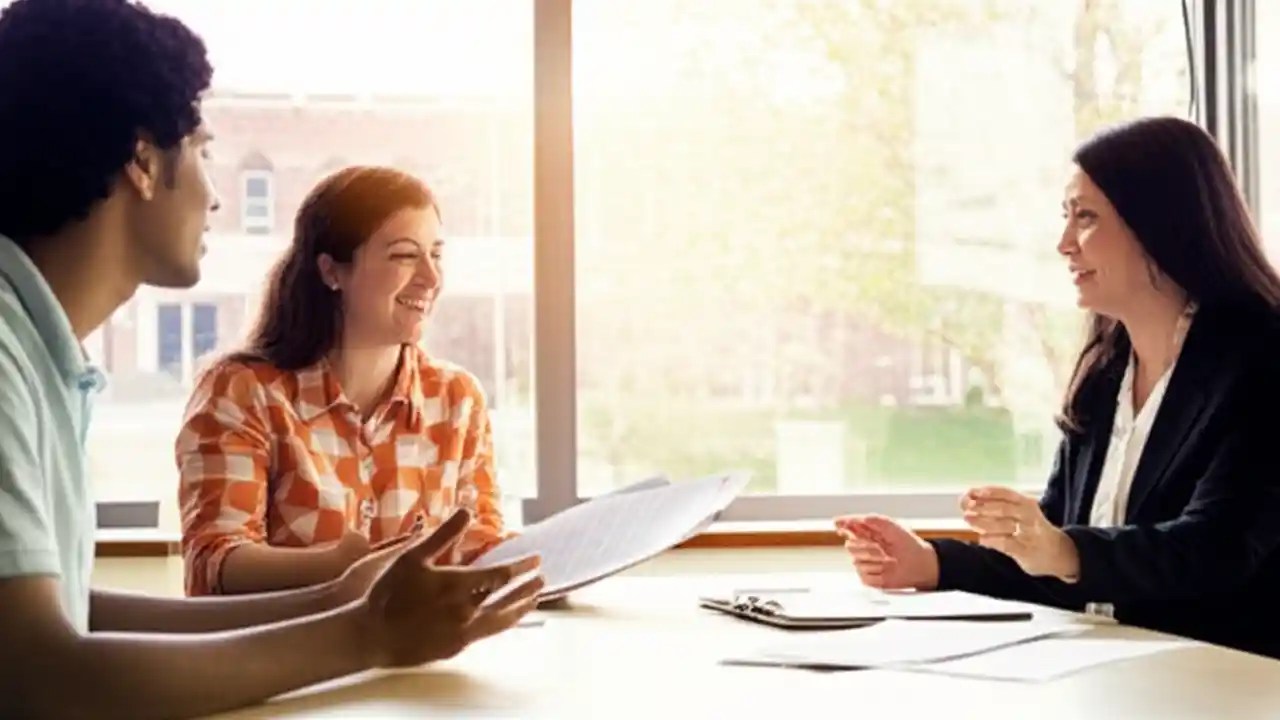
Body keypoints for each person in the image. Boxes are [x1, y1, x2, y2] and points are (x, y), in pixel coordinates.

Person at [0, 2, 541, 718]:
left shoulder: (41, 356)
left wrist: (339, 599)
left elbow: (68, 612)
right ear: (141, 161)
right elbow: (39, 675)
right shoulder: (7, 360)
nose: (215, 194)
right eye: (201, 149)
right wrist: (364, 636)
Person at [836, 116, 1280, 659]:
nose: (1064, 243)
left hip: (1230, 683)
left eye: (1086, 218)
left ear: (1161, 224)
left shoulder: (1263, 359)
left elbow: (1218, 548)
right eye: (1066, 217)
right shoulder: (1104, 374)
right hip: (1116, 673)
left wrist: (1060, 549)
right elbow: (1052, 561)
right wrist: (928, 562)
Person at [176, 165, 508, 596]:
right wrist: (339, 567)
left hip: (421, 659)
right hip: (288, 660)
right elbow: (212, 566)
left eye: (437, 254)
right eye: (405, 255)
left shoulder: (458, 399)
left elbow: (481, 548)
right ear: (332, 272)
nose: (431, 277)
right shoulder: (243, 391)